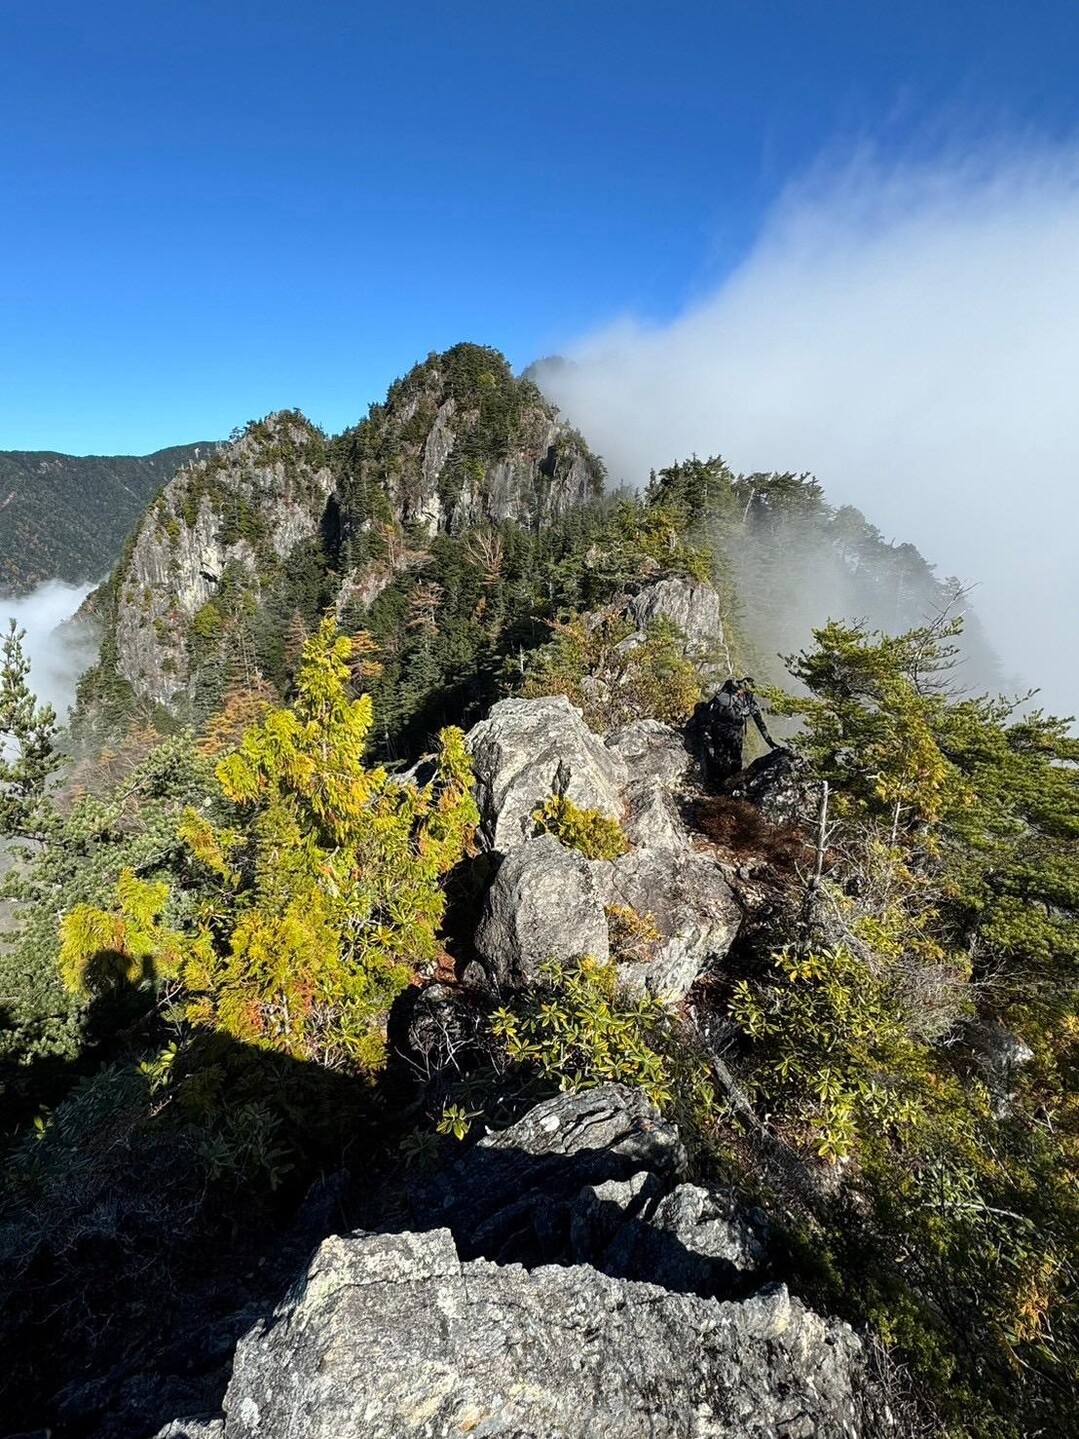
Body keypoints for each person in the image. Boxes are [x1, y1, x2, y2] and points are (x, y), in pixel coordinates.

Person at [694, 676, 780, 784]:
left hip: (718, 729)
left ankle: (716, 783)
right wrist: (769, 740)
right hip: (735, 733)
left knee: (719, 757)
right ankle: (732, 784)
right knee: (735, 759)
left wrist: (701, 722)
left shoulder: (724, 694)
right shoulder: (749, 702)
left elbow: (709, 710)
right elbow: (759, 722)